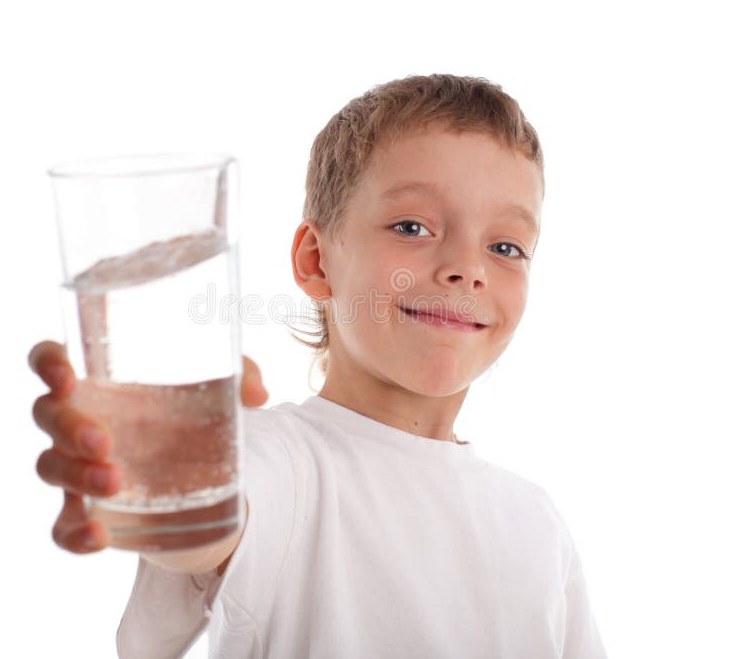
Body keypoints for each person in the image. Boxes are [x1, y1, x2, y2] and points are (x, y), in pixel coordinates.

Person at [30, 74, 608, 658]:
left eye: (505, 246)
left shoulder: (537, 524)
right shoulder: (279, 461)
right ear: (316, 261)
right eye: (413, 227)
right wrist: (158, 467)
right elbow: (207, 526)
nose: (467, 267)